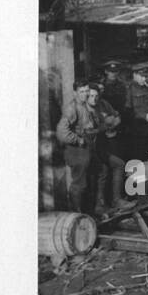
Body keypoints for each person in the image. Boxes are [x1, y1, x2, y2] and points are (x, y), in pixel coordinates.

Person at [55, 78, 102, 215]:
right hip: (76, 150)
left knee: (91, 178)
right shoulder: (72, 108)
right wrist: (78, 140)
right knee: (79, 183)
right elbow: (61, 132)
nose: (85, 94)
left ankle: (90, 213)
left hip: (88, 148)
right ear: (75, 93)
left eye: (87, 91)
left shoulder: (86, 106)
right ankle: (77, 214)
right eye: (81, 91)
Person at [91, 80, 127, 211]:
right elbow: (91, 129)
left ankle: (109, 202)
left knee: (109, 169)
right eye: (93, 94)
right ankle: (105, 203)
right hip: (93, 147)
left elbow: (117, 116)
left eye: (99, 92)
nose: (96, 97)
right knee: (111, 168)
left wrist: (111, 123)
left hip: (104, 144)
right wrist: (106, 124)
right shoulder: (88, 108)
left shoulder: (103, 104)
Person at [124, 64, 148, 163]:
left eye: (146, 76)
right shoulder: (129, 88)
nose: (144, 78)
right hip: (138, 126)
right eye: (142, 76)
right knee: (140, 153)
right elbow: (128, 110)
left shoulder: (146, 87)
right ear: (134, 75)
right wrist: (144, 116)